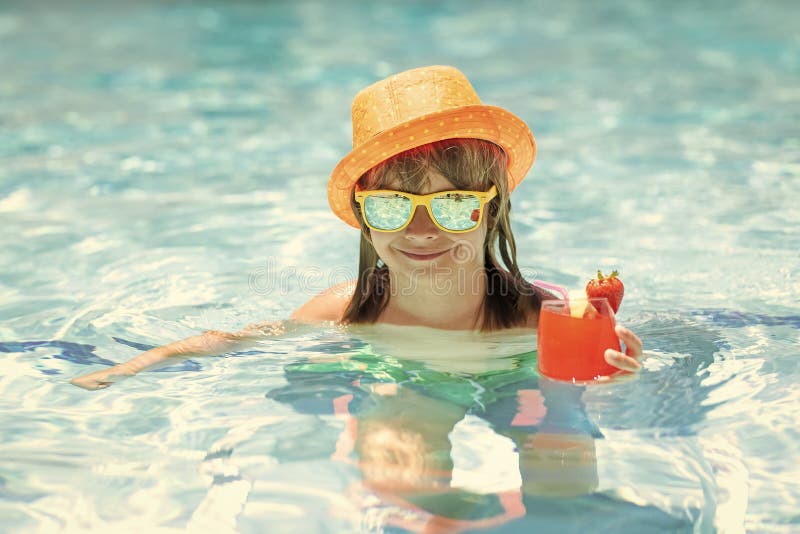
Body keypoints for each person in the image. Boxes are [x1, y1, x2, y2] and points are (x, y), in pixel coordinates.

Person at [70, 64, 642, 390]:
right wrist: (131, 367)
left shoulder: (543, 315)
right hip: (406, 387)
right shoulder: (345, 311)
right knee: (397, 445)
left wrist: (618, 374)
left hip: (514, 384)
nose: (421, 230)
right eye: (393, 206)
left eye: (452, 204)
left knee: (557, 457)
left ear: (491, 210)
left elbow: (603, 376)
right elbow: (237, 340)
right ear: (365, 217)